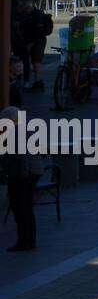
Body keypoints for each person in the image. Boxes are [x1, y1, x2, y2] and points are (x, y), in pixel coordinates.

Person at [1, 106, 41, 251]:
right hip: (34, 172)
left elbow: (19, 156)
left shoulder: (15, 133)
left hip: (22, 175)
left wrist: (21, 175)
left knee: (20, 208)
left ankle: (23, 241)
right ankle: (31, 240)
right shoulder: (27, 128)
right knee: (27, 208)